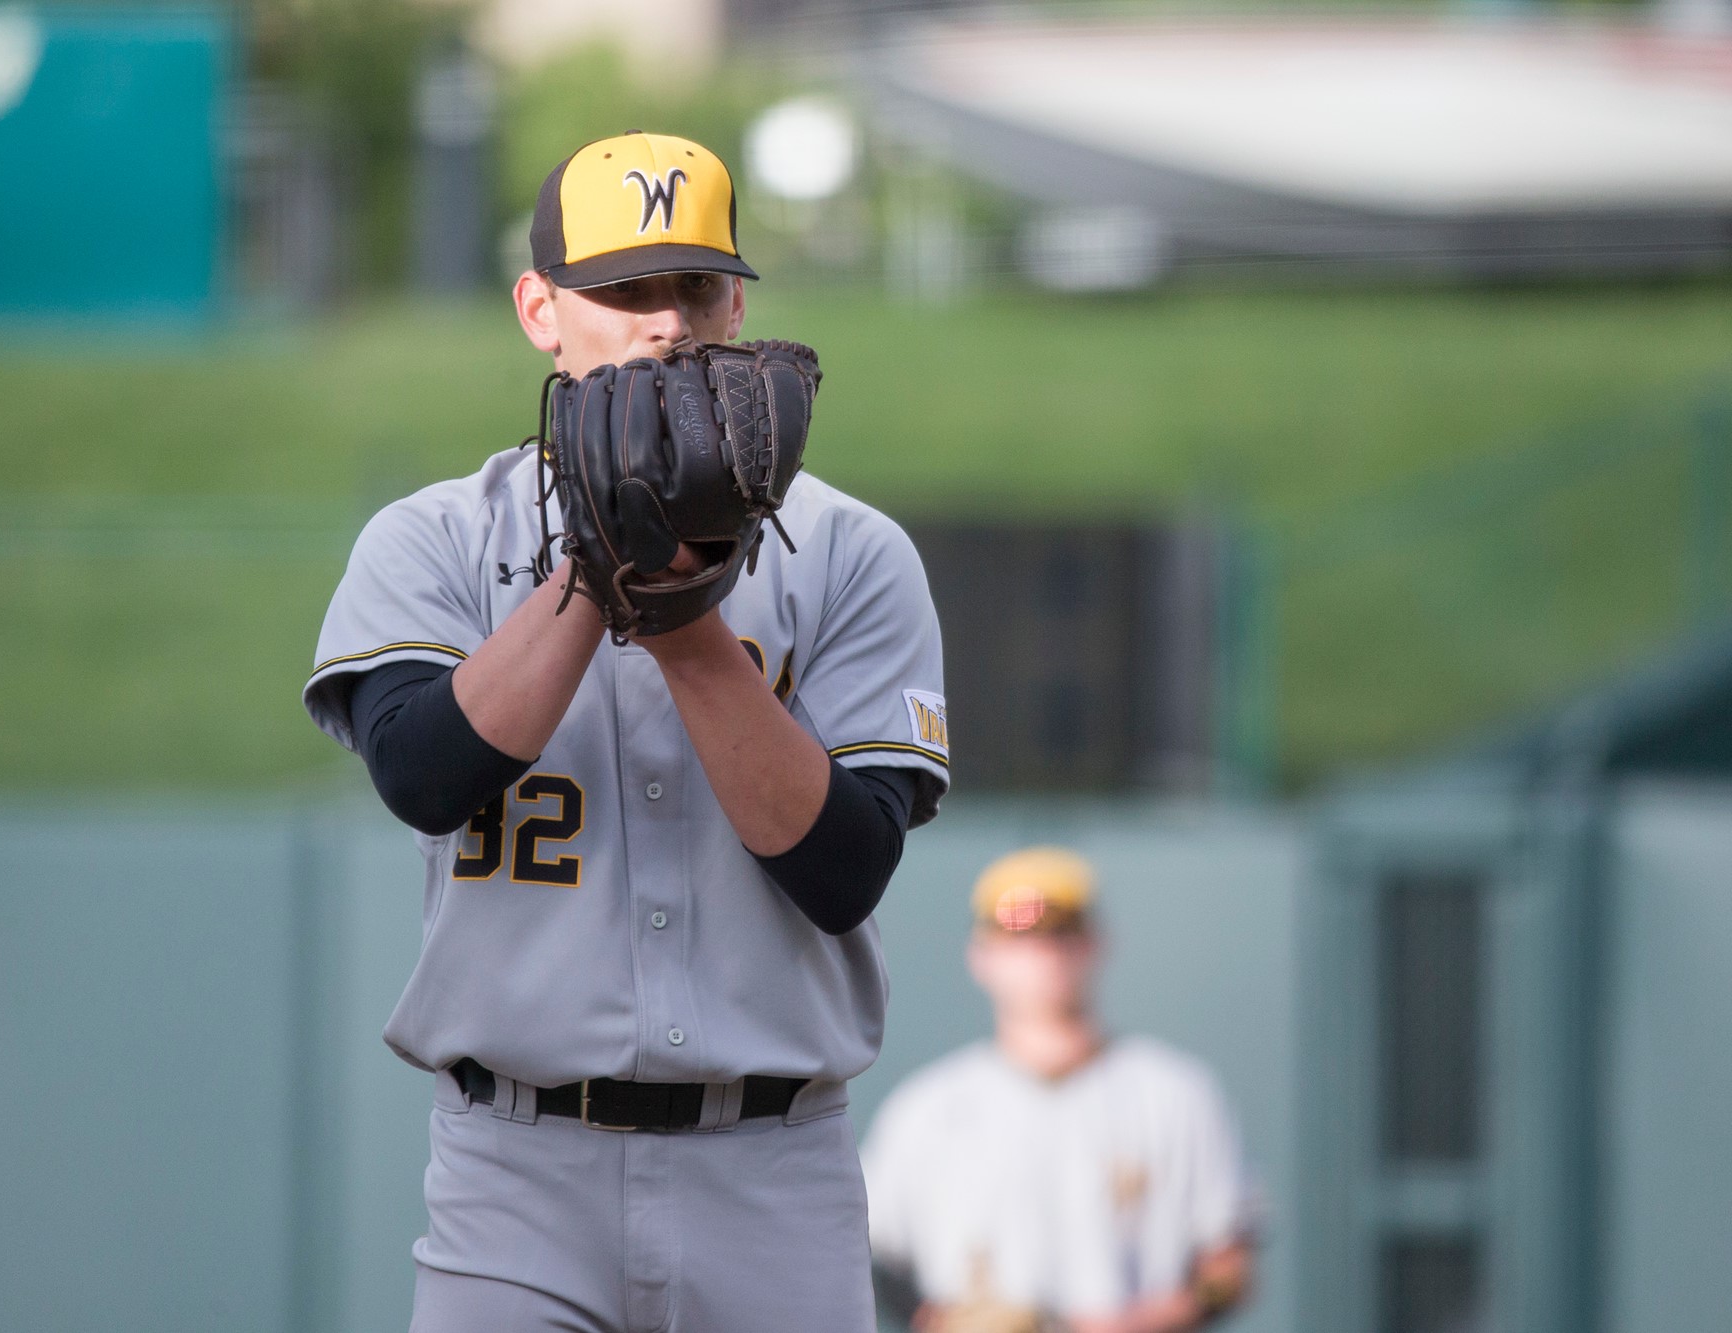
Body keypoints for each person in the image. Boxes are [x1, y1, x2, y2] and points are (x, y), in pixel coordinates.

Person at [302, 130, 949, 1331]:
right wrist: (597, 576)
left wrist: (683, 613)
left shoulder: (852, 551)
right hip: (514, 1171)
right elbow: (422, 772)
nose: (664, 324)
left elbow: (843, 868)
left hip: (773, 1173)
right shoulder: (434, 539)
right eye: (624, 290)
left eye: (692, 286)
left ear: (738, 304)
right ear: (540, 310)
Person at [859, 847, 1258, 1333]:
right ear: (980, 956)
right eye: (1017, 939)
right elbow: (872, 1252)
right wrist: (941, 1321)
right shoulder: (927, 1107)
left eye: (1060, 935)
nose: (1042, 956)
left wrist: (1119, 1326)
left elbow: (1229, 1267)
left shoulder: (1174, 1093)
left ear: (1095, 943)